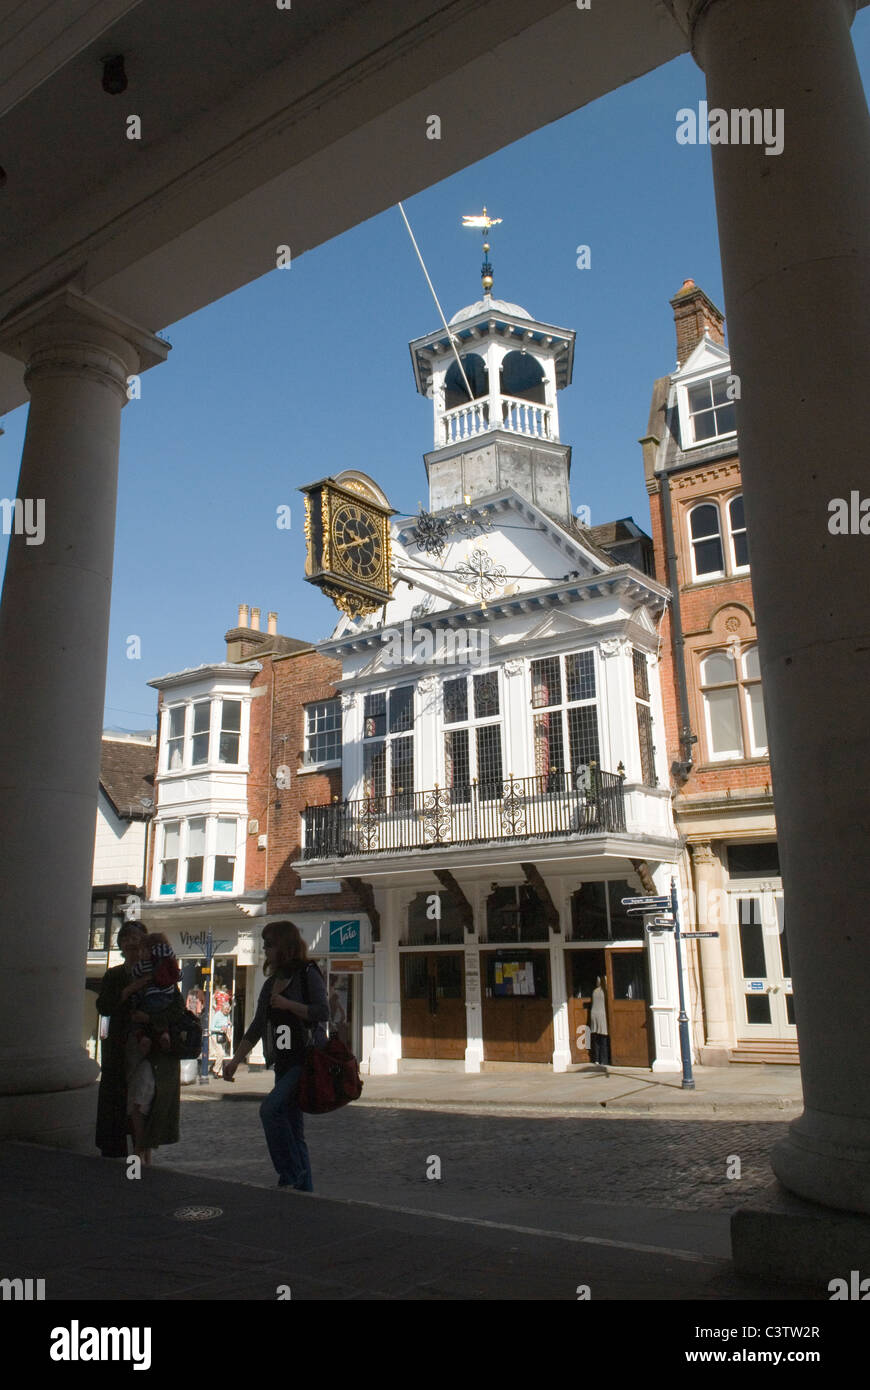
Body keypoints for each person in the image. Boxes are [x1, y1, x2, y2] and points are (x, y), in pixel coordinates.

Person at [223, 921, 329, 1191]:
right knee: (294, 1129)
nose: (265, 949)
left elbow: (322, 1012)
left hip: (304, 1058)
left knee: (269, 1109)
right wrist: (235, 1060)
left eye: (270, 944)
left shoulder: (308, 973)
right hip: (282, 1060)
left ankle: (290, 1172)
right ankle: (304, 1189)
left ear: (284, 945)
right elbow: (258, 1025)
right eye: (264, 944)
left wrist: (288, 1004)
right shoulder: (270, 983)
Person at [94, 921, 182, 1162]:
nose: (134, 950)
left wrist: (152, 1019)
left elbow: (177, 1009)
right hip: (121, 1048)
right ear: (122, 947)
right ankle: (125, 1153)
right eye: (129, 944)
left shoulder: (159, 974)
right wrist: (130, 989)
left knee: (143, 1101)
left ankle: (142, 1153)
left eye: (139, 945)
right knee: (120, 1102)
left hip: (151, 1051)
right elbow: (104, 1006)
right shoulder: (115, 975)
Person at [589, 975, 610, 1066]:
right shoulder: (605, 992)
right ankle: (604, 1060)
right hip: (602, 1015)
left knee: (596, 1037)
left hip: (594, 1015)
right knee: (603, 1038)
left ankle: (596, 1059)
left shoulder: (594, 991)